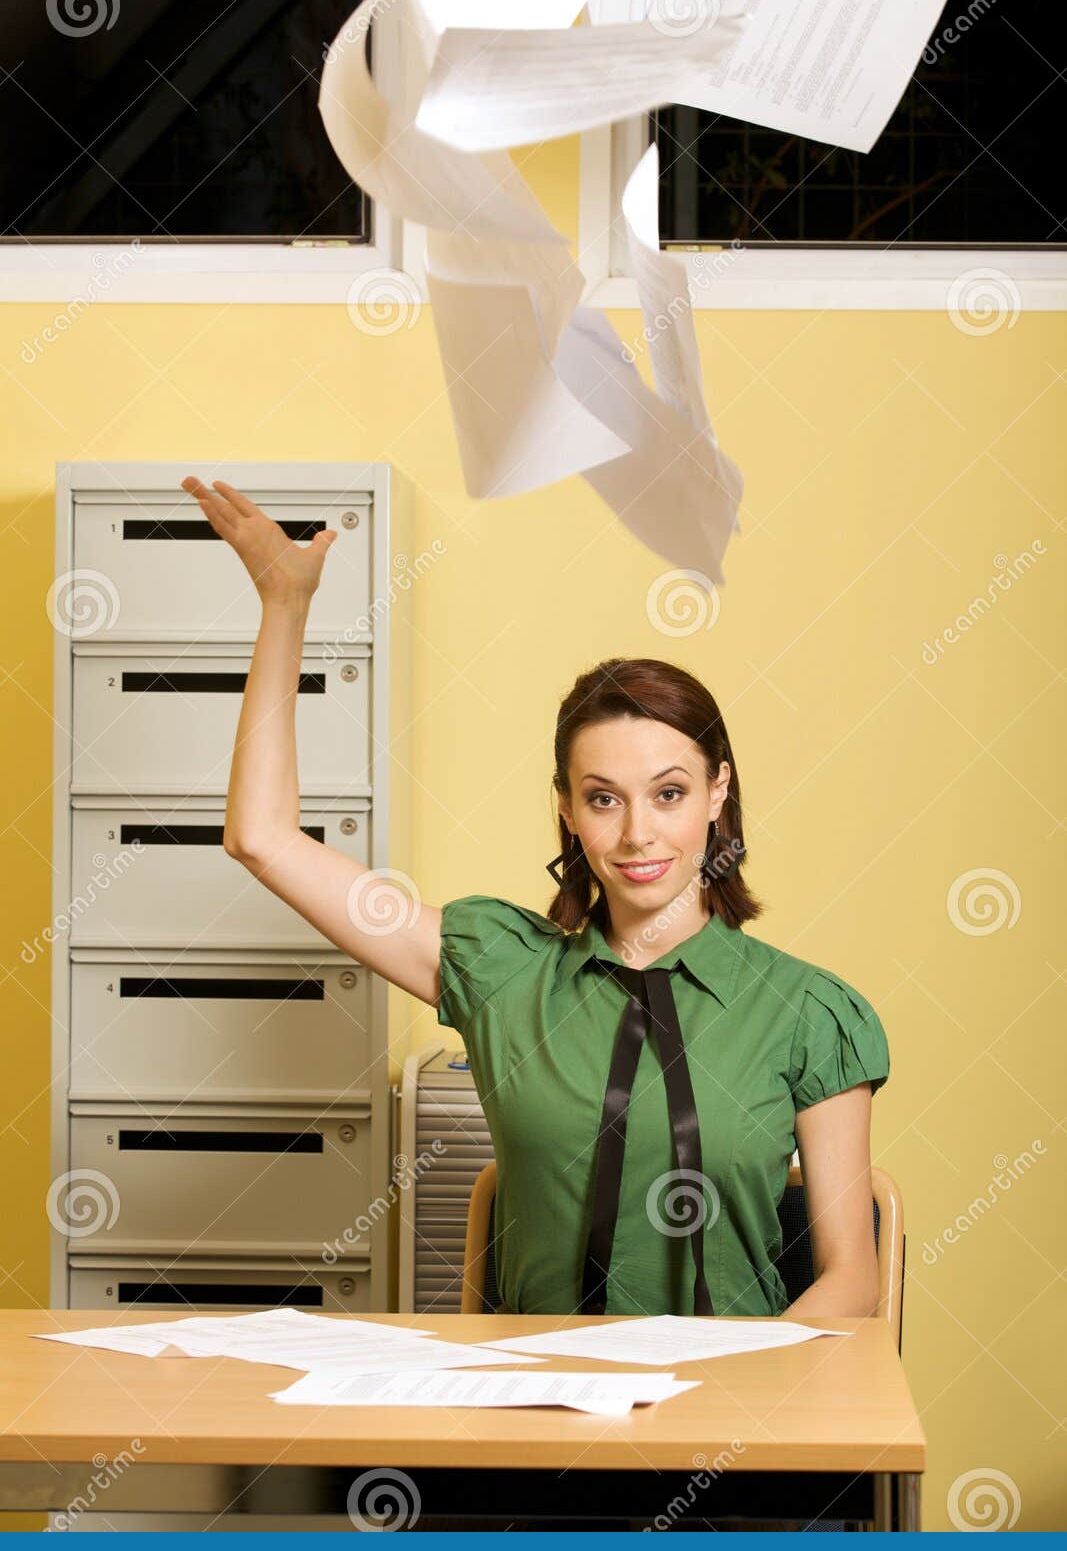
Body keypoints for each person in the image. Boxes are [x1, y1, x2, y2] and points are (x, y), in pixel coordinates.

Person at [183, 476, 890, 1331]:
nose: (637, 834)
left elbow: (851, 1283)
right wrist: (285, 606)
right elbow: (262, 838)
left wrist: (734, 1406)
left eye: (667, 794)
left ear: (716, 793)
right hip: (533, 1418)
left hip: (733, 1422)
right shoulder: (499, 966)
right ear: (566, 806)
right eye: (603, 799)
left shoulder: (809, 1012)